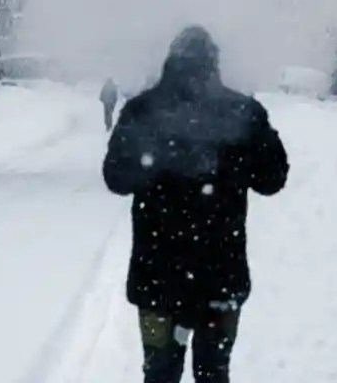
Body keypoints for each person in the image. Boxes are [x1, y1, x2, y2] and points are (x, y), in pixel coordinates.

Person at [103, 25, 289, 383]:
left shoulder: (142, 112)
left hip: (157, 275)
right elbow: (273, 179)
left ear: (170, 63)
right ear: (214, 63)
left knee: (159, 373)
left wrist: (151, 161)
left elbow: (115, 178)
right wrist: (253, 144)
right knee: (214, 373)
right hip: (221, 275)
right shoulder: (243, 112)